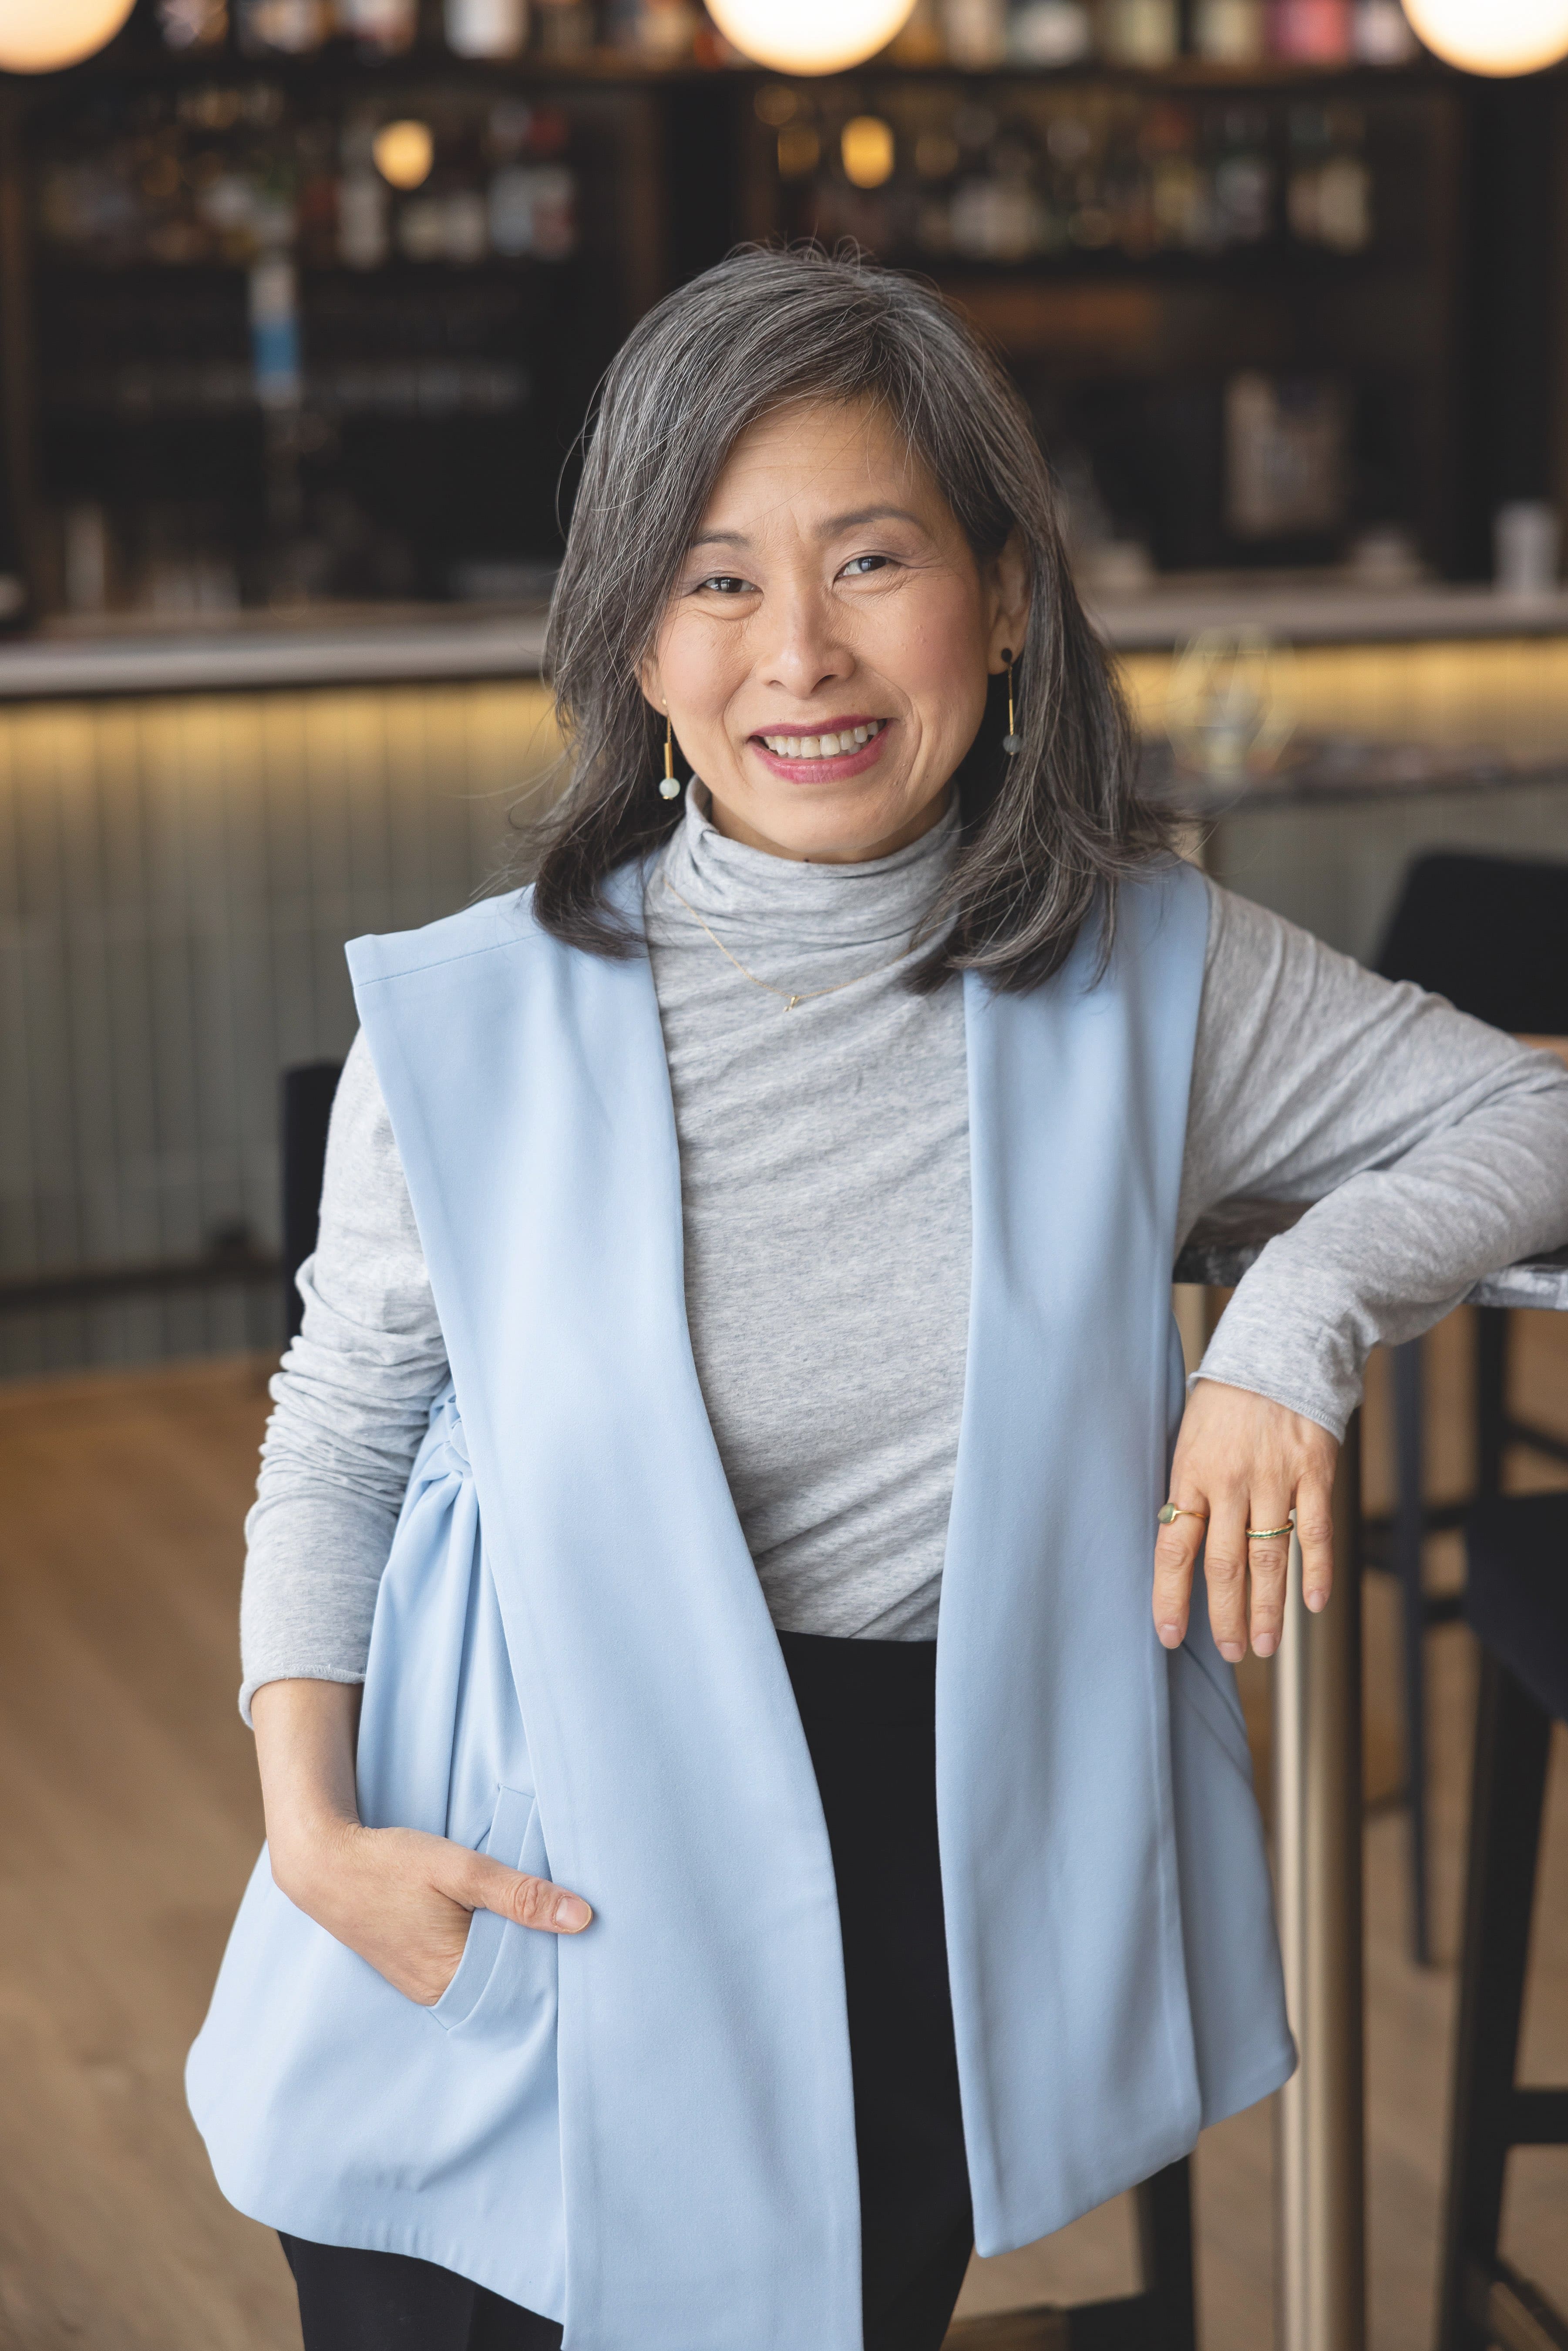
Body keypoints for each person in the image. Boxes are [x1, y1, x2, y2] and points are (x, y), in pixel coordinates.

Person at [187, 246, 1568, 2351]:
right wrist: (309, 1832)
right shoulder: (466, 1023)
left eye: (868, 559)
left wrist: (1296, 1316)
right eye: (717, 578)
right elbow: (343, 1422)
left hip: (902, 1884)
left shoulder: (1152, 973)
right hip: (500, 1869)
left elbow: (1532, 1121)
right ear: (632, 639)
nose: (798, 653)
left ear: (1005, 597)